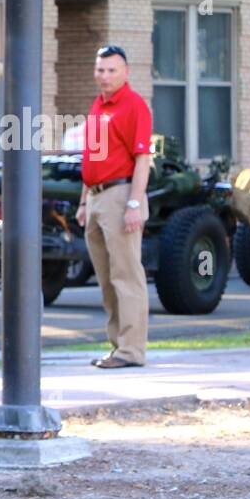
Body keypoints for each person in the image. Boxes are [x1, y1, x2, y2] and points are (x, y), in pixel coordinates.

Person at [77, 44, 153, 369]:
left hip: (121, 195)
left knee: (126, 276)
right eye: (100, 70)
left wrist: (134, 203)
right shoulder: (98, 105)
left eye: (111, 70)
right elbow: (92, 156)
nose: (105, 76)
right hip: (95, 197)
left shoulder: (134, 106)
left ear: (125, 72)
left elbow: (143, 159)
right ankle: (117, 347)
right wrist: (83, 202)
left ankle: (132, 350)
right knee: (107, 279)